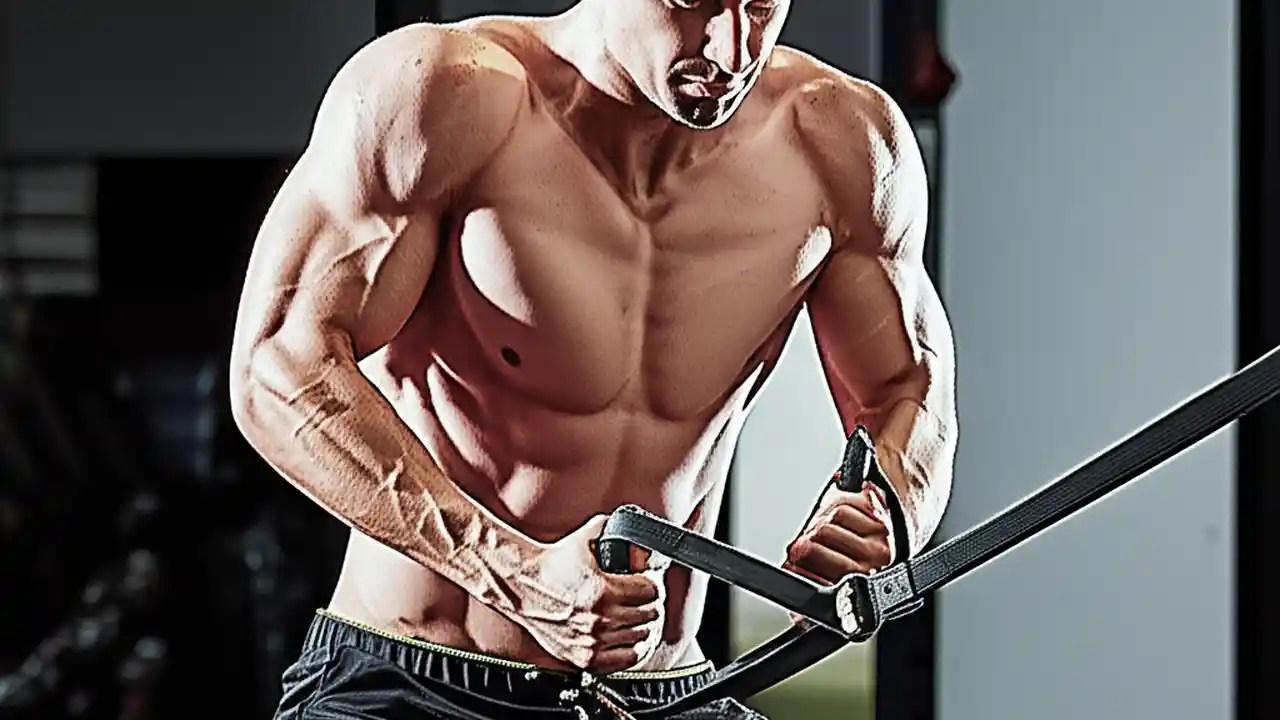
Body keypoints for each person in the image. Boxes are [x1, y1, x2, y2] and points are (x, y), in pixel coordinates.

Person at [228, 0, 957, 717]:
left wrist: (888, 509)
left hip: (664, 691)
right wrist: (512, 571)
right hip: (417, 684)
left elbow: (908, 387)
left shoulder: (842, 143)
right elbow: (278, 367)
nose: (733, 51)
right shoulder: (440, 94)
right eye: (692, 4)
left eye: (761, 6)